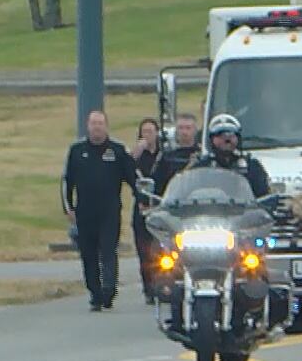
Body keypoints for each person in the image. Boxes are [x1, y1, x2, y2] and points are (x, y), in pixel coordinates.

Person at [62, 109, 131, 311]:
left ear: (106, 126)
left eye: (100, 124)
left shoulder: (117, 151)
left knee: (108, 250)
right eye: (93, 124)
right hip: (85, 212)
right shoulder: (77, 151)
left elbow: (133, 178)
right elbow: (67, 181)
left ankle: (109, 289)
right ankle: (95, 293)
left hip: (109, 211)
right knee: (88, 254)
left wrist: (143, 197)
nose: (97, 128)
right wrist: (68, 207)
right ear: (88, 126)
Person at [191, 113, 271, 197]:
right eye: (220, 135)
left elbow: (264, 197)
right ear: (212, 139)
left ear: (238, 138)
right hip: (210, 209)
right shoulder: (201, 166)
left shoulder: (251, 165)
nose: (226, 139)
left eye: (231, 135)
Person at [129, 118, 162, 304]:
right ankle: (148, 288)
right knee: (144, 251)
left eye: (151, 131)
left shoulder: (163, 155)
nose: (148, 136)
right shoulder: (137, 156)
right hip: (141, 207)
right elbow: (126, 170)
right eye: (144, 132)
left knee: (159, 250)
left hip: (159, 205)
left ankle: (161, 284)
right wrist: (136, 152)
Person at [151, 113, 200, 194]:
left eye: (188, 128)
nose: (184, 132)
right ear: (176, 130)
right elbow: (157, 183)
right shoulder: (167, 157)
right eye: (181, 128)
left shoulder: (202, 155)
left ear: (195, 130)